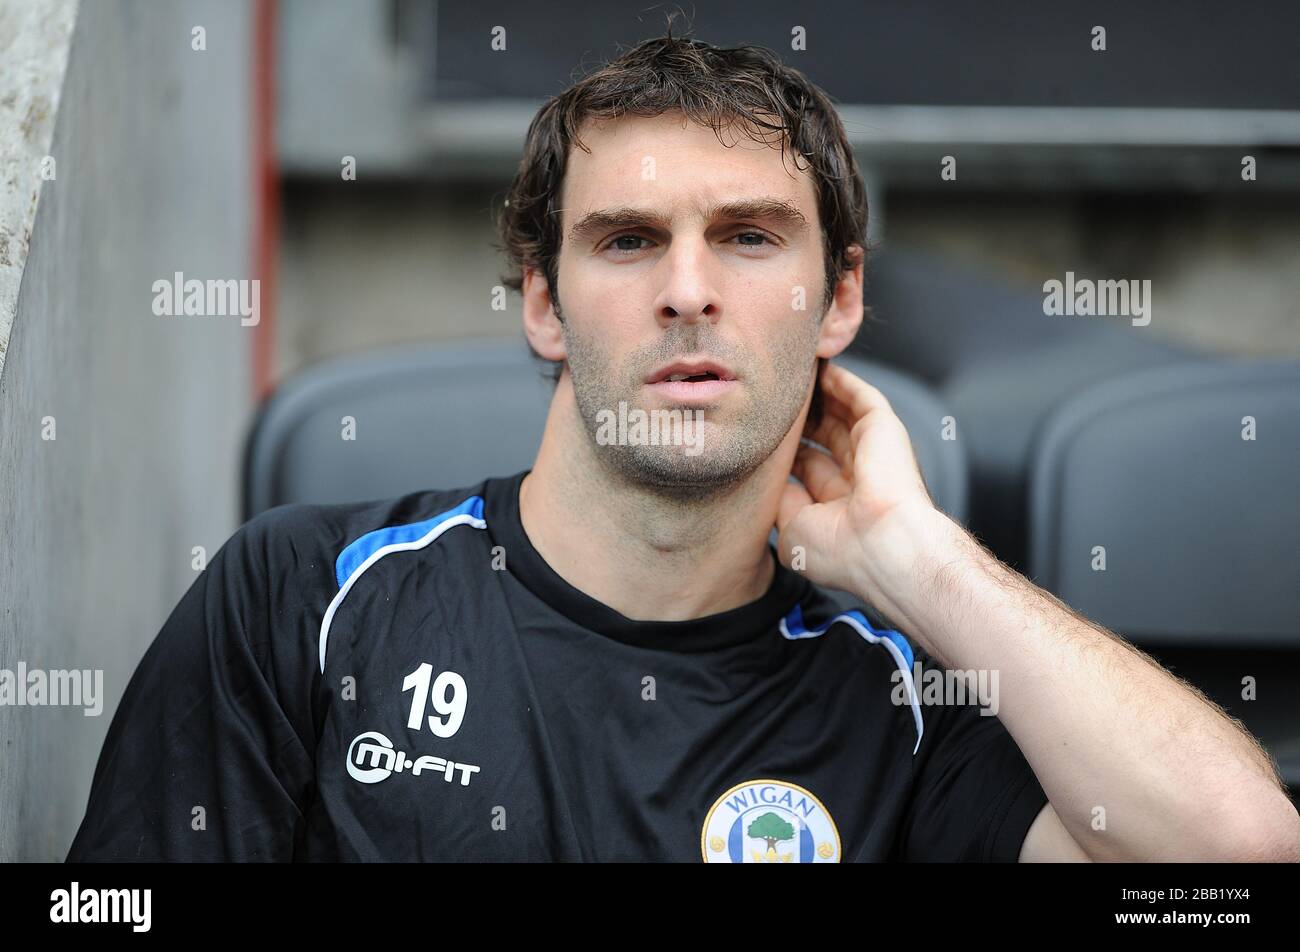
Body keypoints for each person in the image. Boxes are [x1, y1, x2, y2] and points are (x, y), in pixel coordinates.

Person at [67, 33, 1298, 863]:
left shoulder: (899, 701)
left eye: (751, 237)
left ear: (840, 303)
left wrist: (918, 557)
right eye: (626, 240)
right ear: (544, 305)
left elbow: (1235, 857)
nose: (688, 291)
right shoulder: (301, 598)